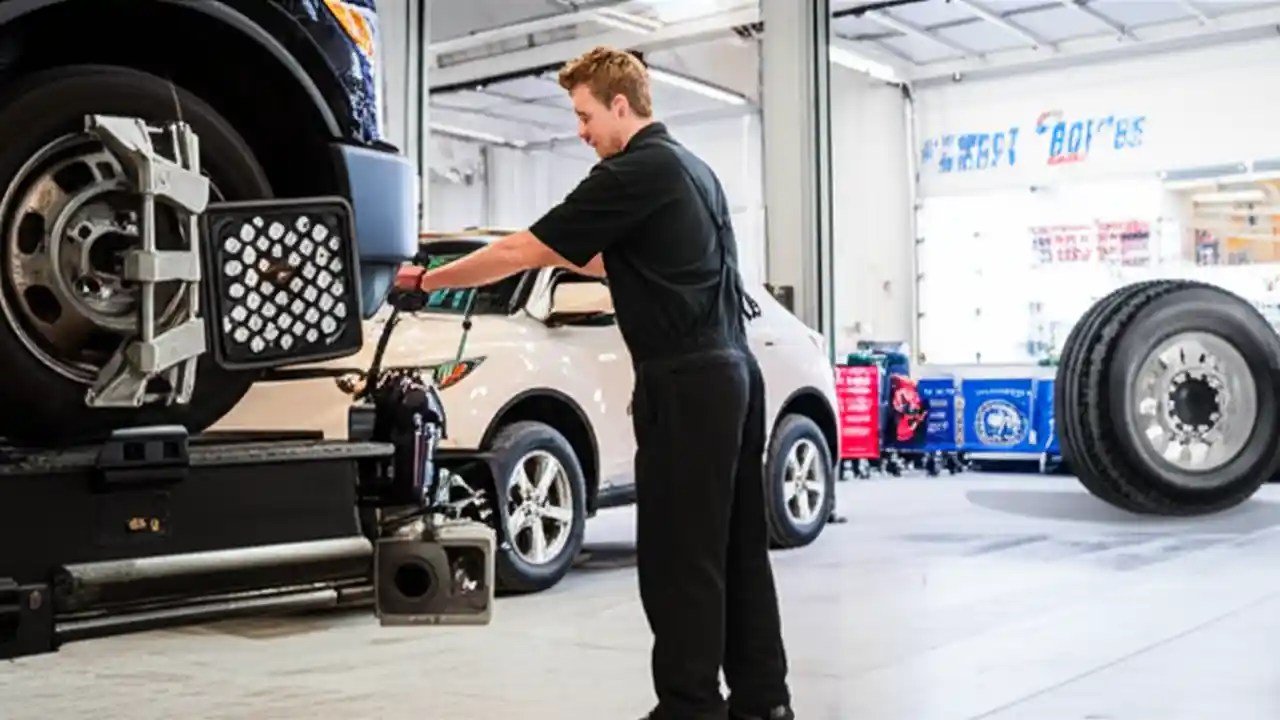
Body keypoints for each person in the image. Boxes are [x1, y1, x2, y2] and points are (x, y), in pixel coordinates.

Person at [396, 46, 794, 720]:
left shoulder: (633, 171)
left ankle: (689, 707)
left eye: (584, 116)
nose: (580, 131)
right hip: (734, 373)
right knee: (735, 548)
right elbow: (630, 263)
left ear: (619, 105)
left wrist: (427, 282)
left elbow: (525, 250)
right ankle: (764, 702)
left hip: (687, 382)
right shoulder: (694, 171)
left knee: (677, 558)